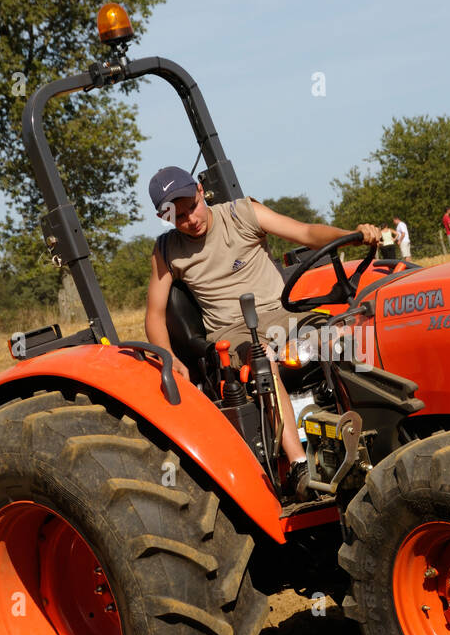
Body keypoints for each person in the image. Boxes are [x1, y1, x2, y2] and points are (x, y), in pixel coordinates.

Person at [143, 166, 380, 498]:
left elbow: (308, 234)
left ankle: (371, 434)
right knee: (263, 361)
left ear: (200, 191)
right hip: (234, 330)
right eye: (178, 216)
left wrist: (353, 233)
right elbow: (154, 314)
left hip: (283, 313)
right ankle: (300, 466)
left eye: (192, 207)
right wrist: (169, 358)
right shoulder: (167, 250)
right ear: (163, 217)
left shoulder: (243, 213)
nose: (190, 219)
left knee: (346, 335)